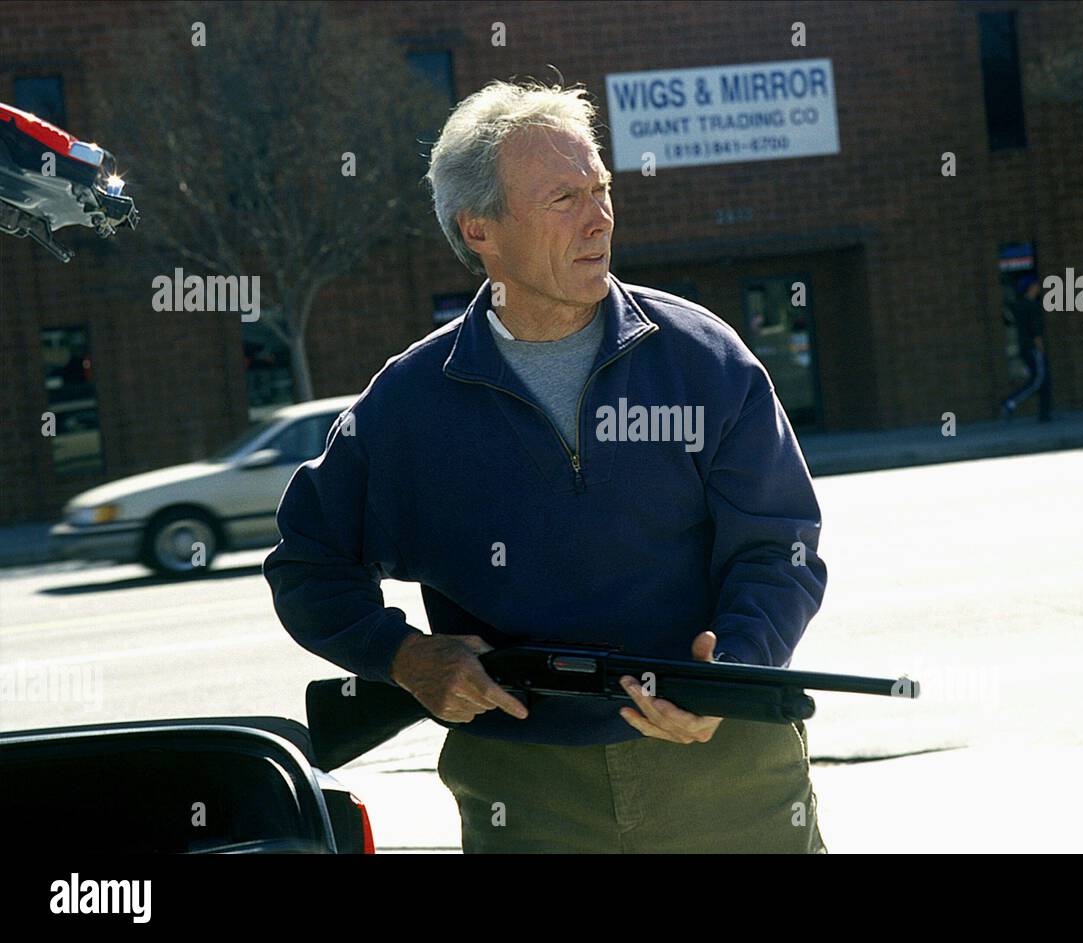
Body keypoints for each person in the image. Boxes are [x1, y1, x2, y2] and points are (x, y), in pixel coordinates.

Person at [263, 79, 829, 853]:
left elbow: (782, 547)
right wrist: (403, 658)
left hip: (727, 769)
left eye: (602, 189)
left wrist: (733, 670)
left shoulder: (703, 359)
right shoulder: (406, 405)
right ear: (481, 230)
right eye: (565, 197)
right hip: (523, 796)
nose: (599, 217)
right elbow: (306, 564)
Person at [999, 274, 1052, 422]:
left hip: (1025, 347)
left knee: (1045, 381)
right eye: (1035, 285)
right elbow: (1035, 331)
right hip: (1033, 348)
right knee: (1038, 380)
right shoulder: (1031, 306)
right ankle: (1011, 402)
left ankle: (1044, 414)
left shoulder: (1019, 305)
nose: (1038, 288)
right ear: (1030, 288)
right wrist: (1040, 348)